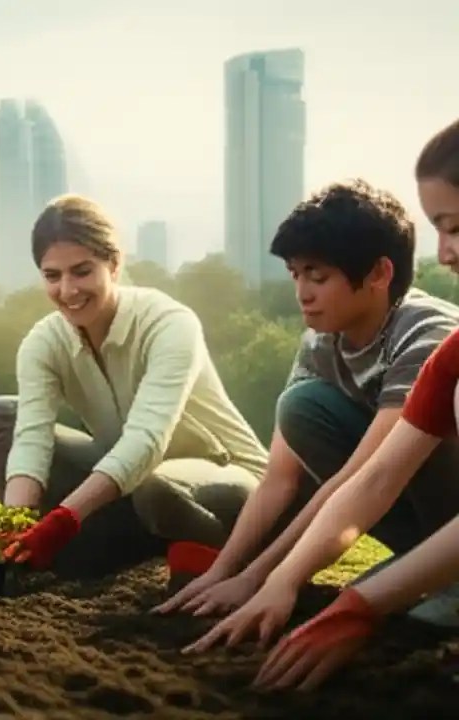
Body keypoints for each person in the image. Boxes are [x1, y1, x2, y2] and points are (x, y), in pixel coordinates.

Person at [194, 119, 459, 692]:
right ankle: (432, 570)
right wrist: (252, 576)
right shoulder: (325, 341)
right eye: (295, 275)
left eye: (317, 275)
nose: (302, 292)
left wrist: (334, 596)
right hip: (425, 519)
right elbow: (353, 481)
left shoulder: (430, 334)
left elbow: (363, 473)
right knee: (301, 406)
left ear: (379, 274)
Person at [0, 194, 268, 576]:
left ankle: (231, 558)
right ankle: (73, 553)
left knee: (156, 486)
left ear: (114, 264)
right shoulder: (43, 342)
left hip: (226, 479)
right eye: (52, 275)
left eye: (82, 271)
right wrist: (11, 531)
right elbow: (31, 441)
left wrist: (62, 520)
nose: (68, 290)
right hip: (131, 488)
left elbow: (146, 441)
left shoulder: (169, 323)